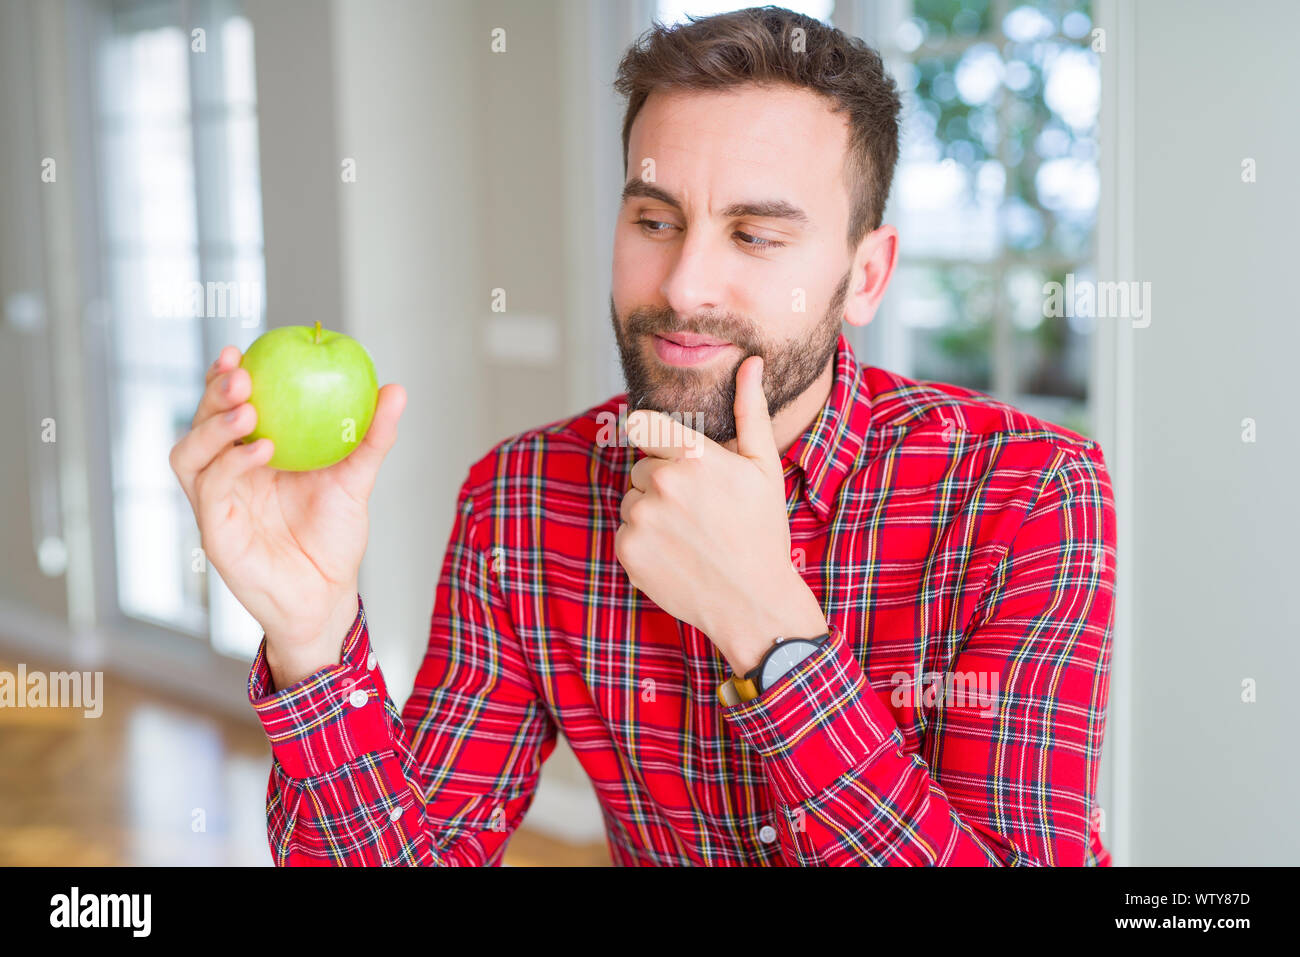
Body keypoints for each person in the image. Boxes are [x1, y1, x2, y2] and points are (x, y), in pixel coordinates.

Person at [170, 6, 1114, 866]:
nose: (686, 283)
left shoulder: (1031, 494)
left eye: (755, 235)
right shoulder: (523, 501)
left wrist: (770, 630)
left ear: (866, 275)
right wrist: (311, 637)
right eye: (655, 218)